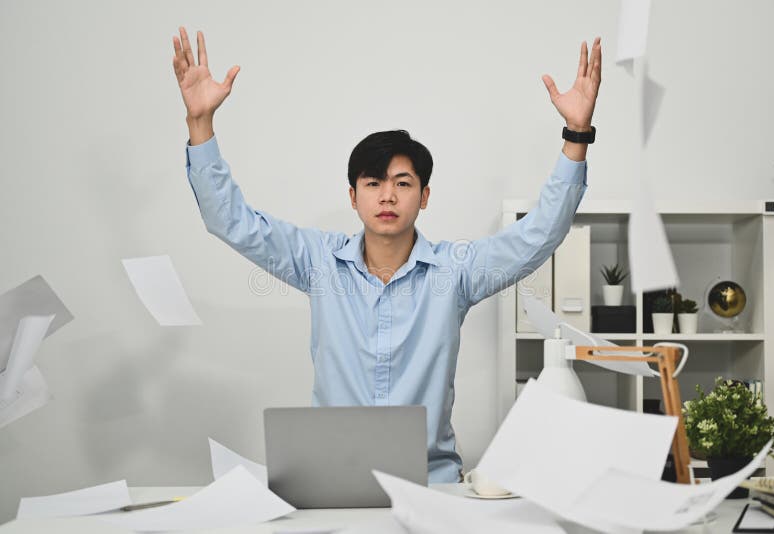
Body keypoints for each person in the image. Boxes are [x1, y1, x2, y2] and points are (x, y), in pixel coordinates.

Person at [172, 27, 601, 483]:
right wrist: (201, 124)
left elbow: (539, 234)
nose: (388, 196)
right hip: (331, 481)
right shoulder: (318, 263)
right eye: (374, 183)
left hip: (430, 482)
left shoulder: (455, 272)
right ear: (354, 196)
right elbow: (230, 220)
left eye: (402, 183)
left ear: (425, 195)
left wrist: (577, 134)